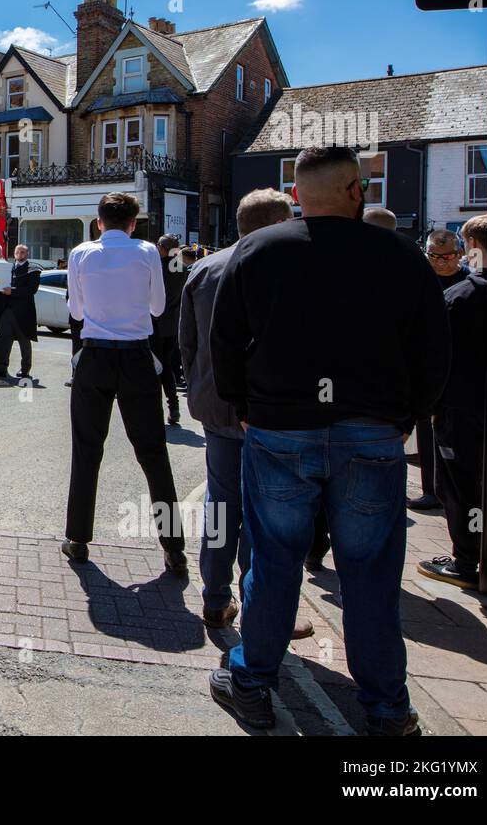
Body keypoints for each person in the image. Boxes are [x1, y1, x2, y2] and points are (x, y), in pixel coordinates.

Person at [208, 146, 449, 736]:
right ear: (352, 191)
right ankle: (388, 708)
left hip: (279, 428)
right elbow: (435, 352)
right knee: (368, 574)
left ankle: (252, 684)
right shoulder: (399, 256)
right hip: (371, 430)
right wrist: (407, 417)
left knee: (274, 563)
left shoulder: (257, 250)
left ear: (297, 193)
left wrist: (245, 409)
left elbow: (224, 341)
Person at [179, 188, 311, 639]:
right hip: (274, 411)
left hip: (218, 408)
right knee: (268, 511)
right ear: (280, 221)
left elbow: (188, 344)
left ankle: (216, 600)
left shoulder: (204, 268)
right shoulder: (293, 267)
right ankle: (262, 605)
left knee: (222, 505)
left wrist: (202, 392)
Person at [64, 192, 187, 577]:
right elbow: (157, 308)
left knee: (87, 449)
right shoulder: (148, 252)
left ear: (99, 222)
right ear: (134, 224)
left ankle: (78, 539)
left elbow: (77, 311)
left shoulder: (81, 253)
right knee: (153, 453)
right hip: (135, 356)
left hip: (95, 354)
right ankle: (173, 548)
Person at [418, 214, 487, 594]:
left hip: (461, 409)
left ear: (471, 248)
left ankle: (468, 560)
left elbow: (435, 358)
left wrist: (429, 403)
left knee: (463, 484)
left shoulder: (458, 298)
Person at [409, 229, 471, 512]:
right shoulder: (422, 280)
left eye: (446, 256)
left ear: (458, 253)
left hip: (460, 368)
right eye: (434, 256)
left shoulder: (468, 281)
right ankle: (431, 490)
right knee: (426, 428)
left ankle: (455, 492)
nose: (440, 261)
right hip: (427, 365)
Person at [151, 234, 186, 425]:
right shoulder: (181, 267)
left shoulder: (160, 268)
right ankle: (173, 406)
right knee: (166, 366)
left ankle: (160, 408)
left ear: (165, 248)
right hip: (172, 324)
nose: (156, 248)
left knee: (157, 367)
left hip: (156, 323)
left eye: (158, 245)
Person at [0, 243, 40, 379]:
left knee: (24, 341)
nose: (20, 254)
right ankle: (0, 367)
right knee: (4, 339)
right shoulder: (8, 268)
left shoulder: (33, 269)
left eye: (23, 252)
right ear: (14, 253)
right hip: (8, 310)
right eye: (17, 252)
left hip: (24, 312)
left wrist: (11, 291)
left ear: (27, 254)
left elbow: (31, 290)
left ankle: (25, 370)